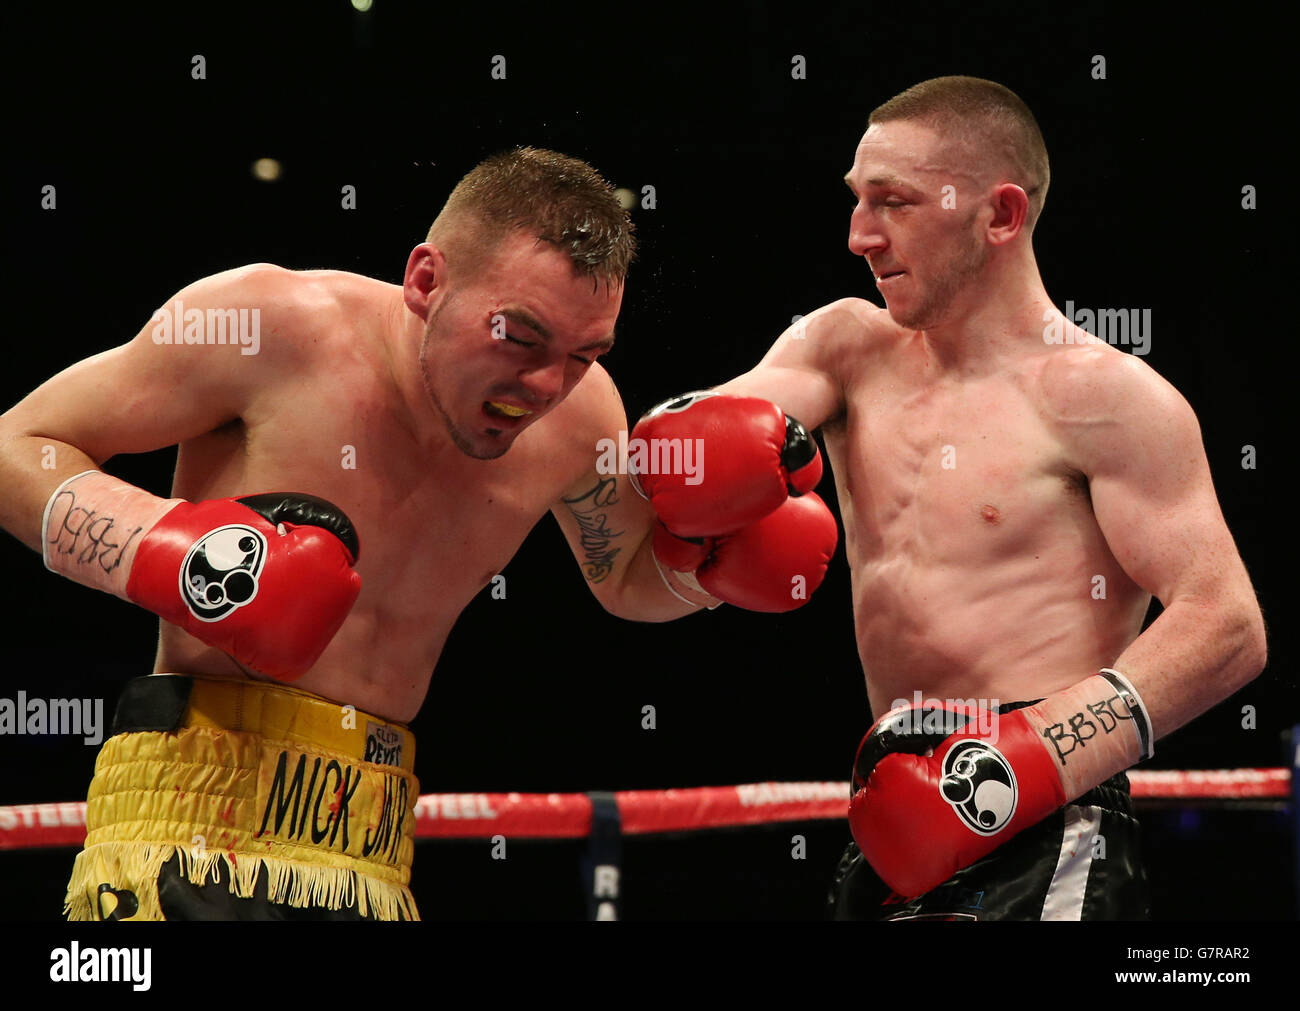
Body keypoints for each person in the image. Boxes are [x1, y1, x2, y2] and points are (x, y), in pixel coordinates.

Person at [0, 147, 837, 920]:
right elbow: (16, 445)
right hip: (185, 814)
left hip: (371, 841)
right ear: (427, 279)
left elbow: (624, 578)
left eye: (584, 353)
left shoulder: (586, 416)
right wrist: (169, 553)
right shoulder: (268, 325)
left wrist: (711, 570)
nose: (544, 384)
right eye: (519, 334)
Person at [630, 77, 1268, 920]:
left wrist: (1023, 764)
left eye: (892, 202)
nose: (859, 235)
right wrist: (676, 464)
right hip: (887, 808)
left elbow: (1227, 625)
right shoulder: (844, 347)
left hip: (1046, 812)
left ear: (1000, 215)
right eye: (858, 199)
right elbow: (682, 448)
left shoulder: (1107, 399)